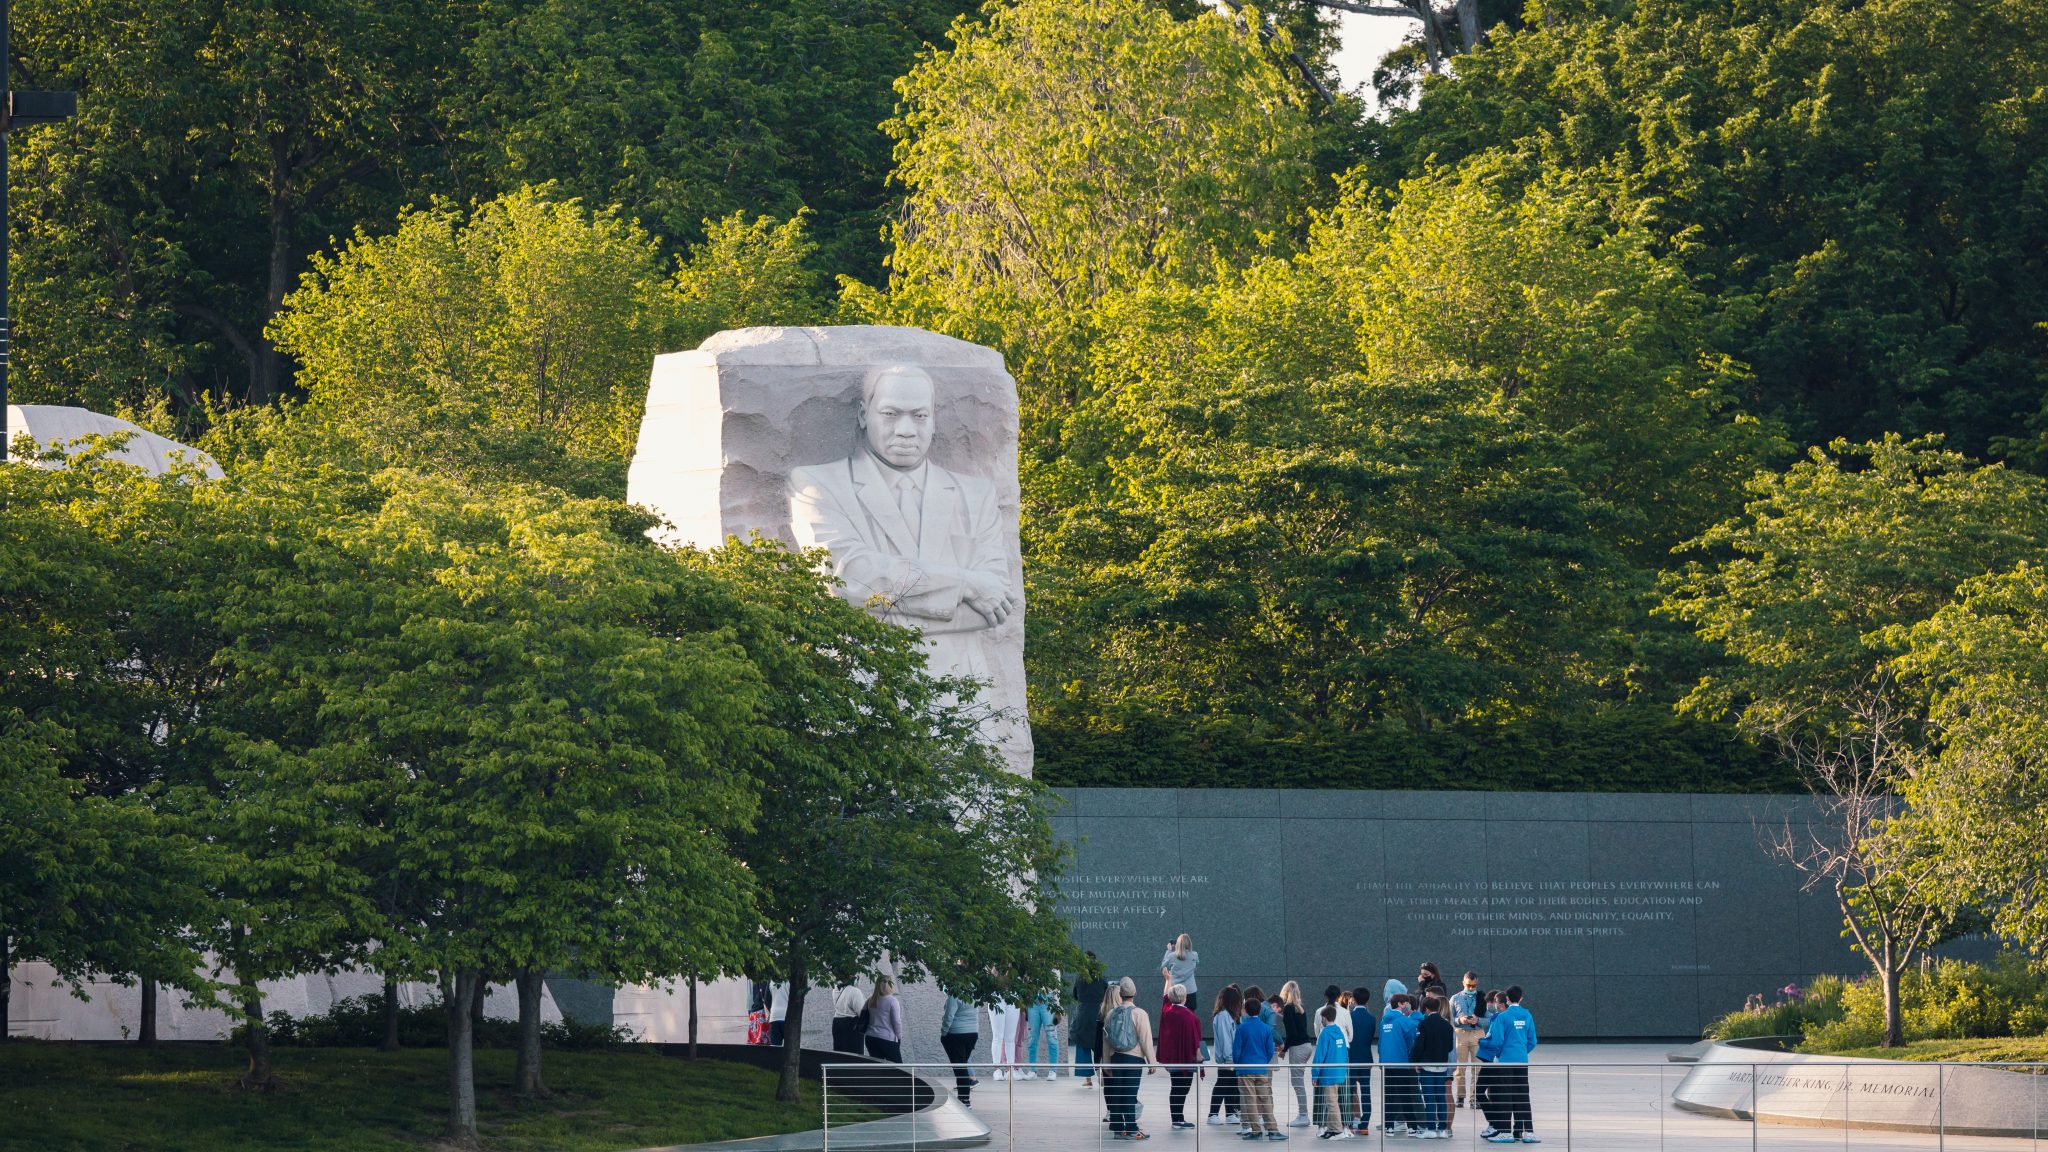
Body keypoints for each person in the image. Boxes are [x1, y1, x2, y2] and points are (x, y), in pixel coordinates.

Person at [1479, 987, 1540, 1144]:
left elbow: (1496, 1042)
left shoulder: (1503, 1017)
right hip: (1521, 1060)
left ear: (1507, 999)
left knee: (1505, 1095)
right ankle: (1528, 1132)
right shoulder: (1527, 1015)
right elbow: (1532, 1040)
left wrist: (1498, 1052)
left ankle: (1505, 1132)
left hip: (1505, 1061)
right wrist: (1521, 1051)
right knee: (1522, 1095)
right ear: (1521, 999)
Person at [1104, 977, 1160, 1140]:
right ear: (1135, 993)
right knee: (1130, 1093)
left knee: (1116, 1093)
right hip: (1133, 1059)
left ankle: (1117, 1128)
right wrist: (1152, 1062)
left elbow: (1105, 1040)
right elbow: (1145, 1039)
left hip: (1115, 1058)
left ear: (1120, 994)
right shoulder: (1140, 1013)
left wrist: (1106, 1063)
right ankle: (1131, 1129)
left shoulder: (1111, 1014)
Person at [1234, 990, 1283, 1141]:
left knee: (1250, 1099)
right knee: (1265, 1098)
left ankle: (1255, 1130)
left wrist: (1239, 1064)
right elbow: (1270, 1051)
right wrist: (1263, 1061)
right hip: (1261, 1068)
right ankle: (1272, 1129)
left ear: (1246, 1011)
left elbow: (1236, 1051)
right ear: (1260, 1010)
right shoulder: (1266, 1028)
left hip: (1245, 1069)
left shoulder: (1241, 1028)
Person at [1159, 981, 1203, 1130]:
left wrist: (1167, 979)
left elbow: (1165, 998)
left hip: (1173, 1057)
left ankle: (1177, 1118)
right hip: (1186, 1057)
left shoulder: (1167, 1011)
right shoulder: (1189, 1015)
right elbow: (1194, 1037)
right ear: (1184, 997)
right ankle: (1178, 1119)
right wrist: (1198, 1054)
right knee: (1183, 1088)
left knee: (1175, 1087)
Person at [1413, 994, 1455, 1139]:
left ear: (1426, 1009)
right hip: (1442, 1065)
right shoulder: (1447, 1025)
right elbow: (1450, 1047)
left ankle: (1431, 1128)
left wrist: (1415, 1062)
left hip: (1427, 1065)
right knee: (1441, 1098)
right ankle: (1443, 1129)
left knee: (1429, 1098)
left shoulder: (1423, 1024)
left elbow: (1419, 1045)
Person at [1378, 993, 1420, 1135]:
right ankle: (1412, 1127)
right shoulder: (1403, 1020)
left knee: (1389, 1095)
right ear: (1401, 1004)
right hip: (1401, 1061)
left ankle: (1388, 1127)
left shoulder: (1384, 1021)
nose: (1408, 1005)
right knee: (1405, 1095)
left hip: (1386, 1063)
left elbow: (1380, 1042)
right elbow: (1411, 1040)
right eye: (1406, 1003)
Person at [1310, 1004, 1353, 1139]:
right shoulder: (1339, 1032)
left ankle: (1337, 1130)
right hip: (1340, 1072)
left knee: (1331, 1102)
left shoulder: (1325, 1034)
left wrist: (1314, 1074)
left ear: (1325, 1017)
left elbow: (1319, 1056)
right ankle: (1331, 1128)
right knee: (1334, 1100)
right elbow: (1345, 1053)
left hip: (1328, 1074)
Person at [1276, 982, 1314, 1127]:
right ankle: (1303, 1115)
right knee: (1298, 1081)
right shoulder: (1300, 1009)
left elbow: (1292, 1033)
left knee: (1297, 1082)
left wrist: (1284, 1050)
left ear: (1285, 993)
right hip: (1307, 1046)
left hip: (1297, 1048)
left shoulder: (1288, 1009)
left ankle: (1303, 1115)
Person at [1450, 973, 1486, 1110]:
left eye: (1474, 986)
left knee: (1478, 1068)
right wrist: (1460, 1020)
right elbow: (1449, 1018)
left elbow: (1490, 1018)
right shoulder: (1455, 998)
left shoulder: (1482, 997)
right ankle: (1460, 1097)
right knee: (1460, 1068)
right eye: (1468, 985)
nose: (1471, 988)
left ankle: (1475, 1098)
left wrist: (1479, 1020)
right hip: (1461, 1033)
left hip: (1477, 1033)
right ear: (1463, 982)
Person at [1209, 985, 1244, 1127]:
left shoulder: (1230, 1016)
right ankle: (1213, 1114)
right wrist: (1230, 1059)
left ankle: (1230, 1113)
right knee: (1222, 1084)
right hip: (1227, 1059)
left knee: (1231, 1085)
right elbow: (1225, 1039)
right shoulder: (1223, 1016)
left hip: (1232, 1059)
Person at [1072, 960, 1109, 1087]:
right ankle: (1102, 1076)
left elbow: (1075, 995)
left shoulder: (1079, 979)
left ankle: (1088, 1079)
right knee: (1101, 1046)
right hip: (1099, 1013)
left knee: (1083, 1047)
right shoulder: (1102, 978)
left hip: (1083, 1014)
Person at [941, 992, 982, 1105]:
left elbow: (948, 1016)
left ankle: (965, 1100)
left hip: (956, 1034)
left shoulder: (954, 995)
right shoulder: (974, 993)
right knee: (962, 1066)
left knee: (960, 1068)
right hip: (973, 1033)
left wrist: (944, 1032)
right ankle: (963, 1098)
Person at [1346, 987, 1377, 1135]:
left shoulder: (1349, 1016)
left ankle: (1350, 1122)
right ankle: (1365, 1123)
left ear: (1354, 999)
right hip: (1366, 1058)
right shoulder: (1371, 1018)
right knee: (1366, 1091)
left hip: (1351, 1059)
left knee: (1350, 1091)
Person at [865, 975, 905, 1063]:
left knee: (878, 1070)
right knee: (898, 1069)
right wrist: (899, 1037)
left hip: (870, 1038)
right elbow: (896, 1022)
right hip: (887, 1038)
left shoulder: (870, 1000)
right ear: (890, 985)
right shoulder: (892, 1001)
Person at [1027, 982, 1062, 1081]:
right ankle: (1033, 1070)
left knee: (1052, 1038)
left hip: (1048, 1001)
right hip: (1032, 1001)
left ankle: (1053, 1070)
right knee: (1032, 1039)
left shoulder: (1054, 966)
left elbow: (1057, 985)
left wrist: (1057, 1008)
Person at [990, 992, 1022, 1082]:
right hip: (996, 995)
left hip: (1014, 995)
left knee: (1010, 1038)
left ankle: (1010, 1070)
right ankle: (996, 1070)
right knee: (997, 1036)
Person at [831, 984, 869, 1055]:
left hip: (837, 1023)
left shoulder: (835, 989)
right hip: (851, 1025)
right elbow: (862, 1013)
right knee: (855, 1056)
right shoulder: (855, 991)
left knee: (839, 1055)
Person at [1161, 934, 1200, 1003]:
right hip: (1190, 990)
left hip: (1175, 991)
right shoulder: (1194, 955)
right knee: (1190, 1013)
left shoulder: (1171, 956)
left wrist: (1169, 951)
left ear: (1177, 944)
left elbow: (1163, 967)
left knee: (1174, 1013)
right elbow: (1195, 967)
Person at [768, 982, 791, 1047]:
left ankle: (775, 1057)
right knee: (789, 1046)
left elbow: (767, 999)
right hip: (787, 1015)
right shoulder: (790, 981)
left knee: (775, 1046)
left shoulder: (771, 981)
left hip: (774, 1016)